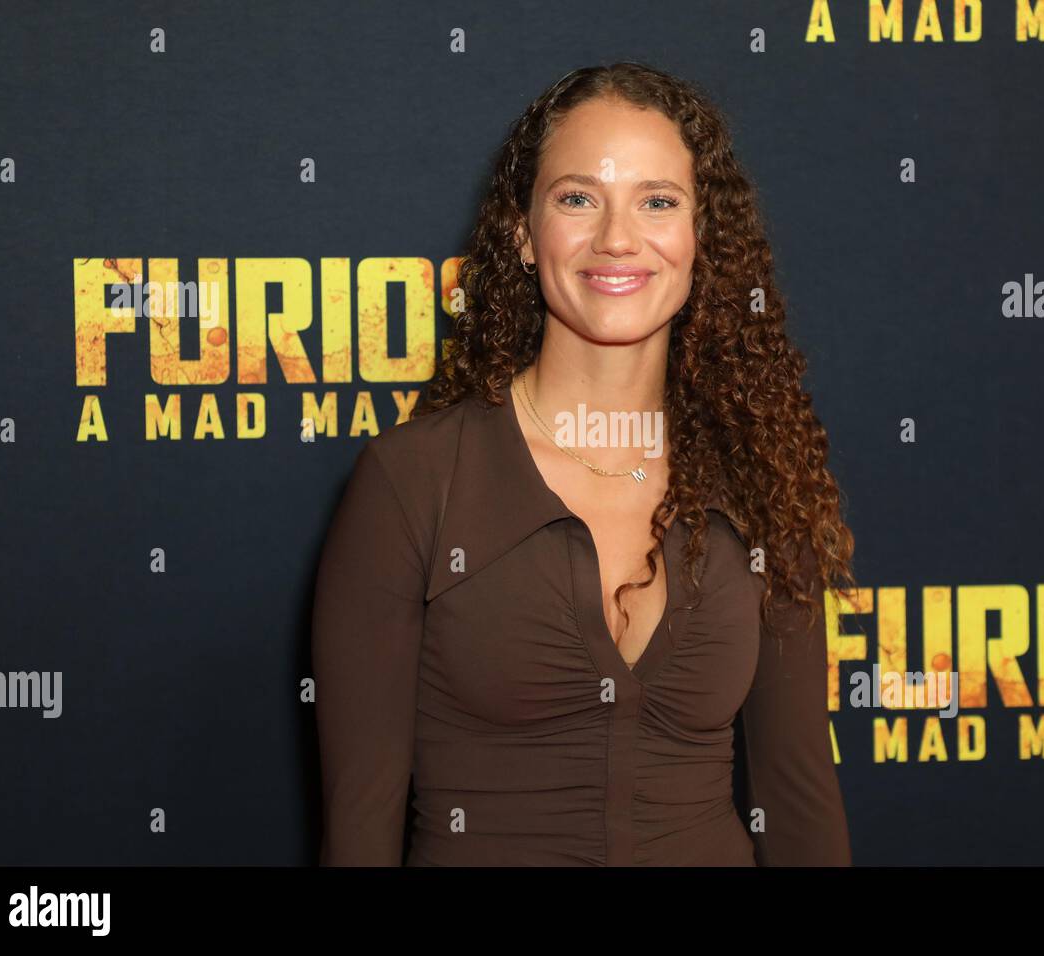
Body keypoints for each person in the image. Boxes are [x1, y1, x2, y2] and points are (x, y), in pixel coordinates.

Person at [312, 62, 858, 866]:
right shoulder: (415, 481)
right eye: (577, 198)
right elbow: (360, 829)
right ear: (522, 235)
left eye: (658, 201)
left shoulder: (760, 477)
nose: (616, 238)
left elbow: (801, 802)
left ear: (701, 238)